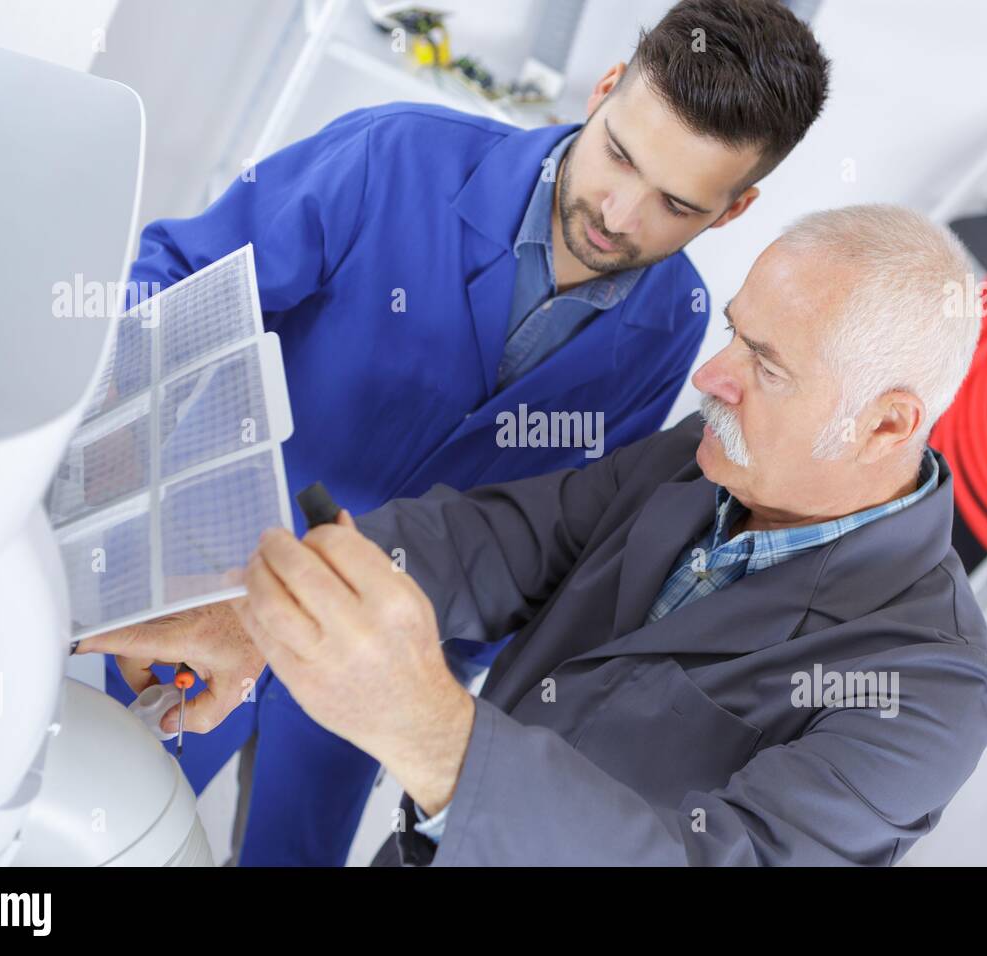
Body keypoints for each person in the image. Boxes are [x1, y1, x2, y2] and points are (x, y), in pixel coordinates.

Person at [97, 0, 832, 865]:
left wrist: (448, 677)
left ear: (734, 209)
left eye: (674, 202)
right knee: (105, 815)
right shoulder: (393, 155)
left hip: (385, 649)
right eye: (619, 155)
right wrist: (123, 518)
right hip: (209, 581)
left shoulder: (677, 324)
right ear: (603, 91)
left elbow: (565, 530)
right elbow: (175, 289)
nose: (619, 214)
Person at [81, 203, 987, 866]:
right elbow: (496, 541)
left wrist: (434, 735)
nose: (710, 379)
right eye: (734, 335)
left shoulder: (932, 684)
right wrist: (269, 606)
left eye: (764, 365)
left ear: (887, 425)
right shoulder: (702, 457)